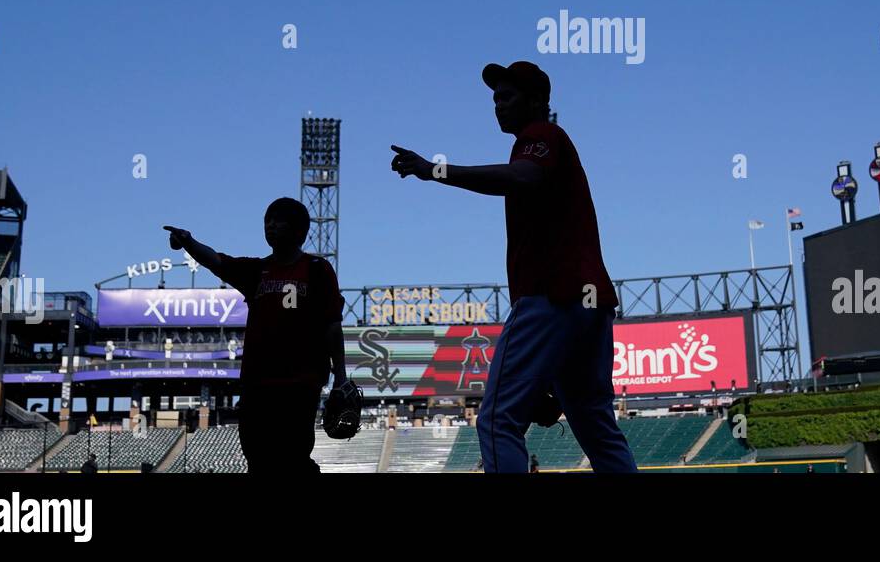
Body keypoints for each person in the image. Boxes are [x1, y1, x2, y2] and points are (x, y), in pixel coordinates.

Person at [391, 61, 637, 473]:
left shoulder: (541, 135)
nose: (497, 106)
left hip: (552, 296)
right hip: (589, 304)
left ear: (537, 101)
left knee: (495, 419)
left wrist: (434, 170)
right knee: (596, 426)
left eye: (507, 96)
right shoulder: (550, 141)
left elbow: (522, 177)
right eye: (495, 99)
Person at [164, 197, 347, 475]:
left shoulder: (317, 269)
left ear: (299, 231)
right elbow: (217, 261)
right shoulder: (255, 270)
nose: (271, 225)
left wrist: (341, 377)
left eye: (278, 220)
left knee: (293, 458)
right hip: (257, 385)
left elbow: (332, 327)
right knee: (257, 459)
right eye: (267, 220)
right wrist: (189, 242)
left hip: (299, 385)